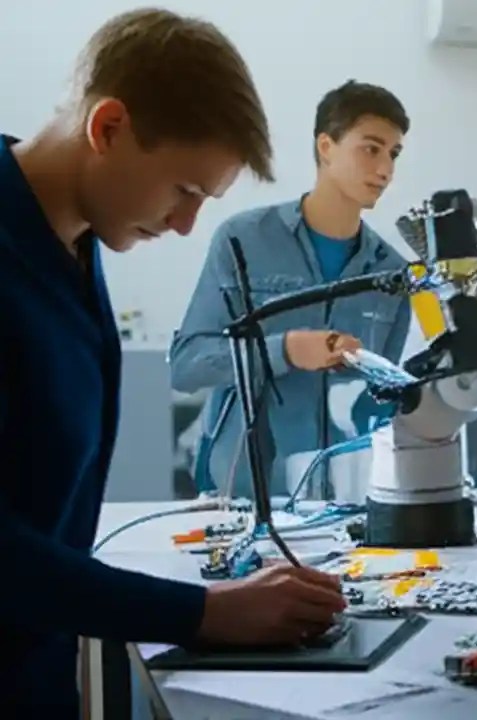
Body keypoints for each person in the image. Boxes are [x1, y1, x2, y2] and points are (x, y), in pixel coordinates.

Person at [0, 9, 346, 715]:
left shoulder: (68, 235)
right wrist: (204, 613)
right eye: (185, 191)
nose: (188, 226)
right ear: (108, 128)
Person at [170, 80, 413, 499]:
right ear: (326, 146)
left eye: (393, 154)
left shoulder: (391, 274)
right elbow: (187, 365)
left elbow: (381, 402)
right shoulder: (242, 240)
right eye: (371, 148)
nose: (385, 170)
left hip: (345, 505)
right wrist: (285, 350)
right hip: (245, 498)